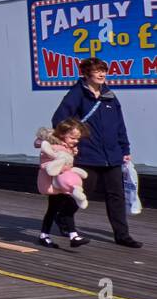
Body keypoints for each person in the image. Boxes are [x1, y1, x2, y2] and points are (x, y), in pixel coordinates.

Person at [51, 57, 142, 249]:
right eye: (97, 71)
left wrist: (125, 149)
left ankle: (122, 235)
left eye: (104, 70)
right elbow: (59, 120)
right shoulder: (77, 94)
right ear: (86, 73)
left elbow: (120, 125)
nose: (102, 74)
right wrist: (72, 142)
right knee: (82, 193)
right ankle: (64, 219)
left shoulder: (109, 96)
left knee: (116, 196)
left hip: (112, 155)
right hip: (87, 155)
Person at [34, 118, 90, 249]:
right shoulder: (52, 148)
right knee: (53, 209)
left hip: (63, 183)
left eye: (77, 139)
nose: (76, 141)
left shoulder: (66, 147)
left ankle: (73, 235)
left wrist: (71, 153)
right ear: (62, 134)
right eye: (72, 138)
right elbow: (45, 165)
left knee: (65, 207)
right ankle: (44, 235)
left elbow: (67, 162)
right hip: (52, 183)